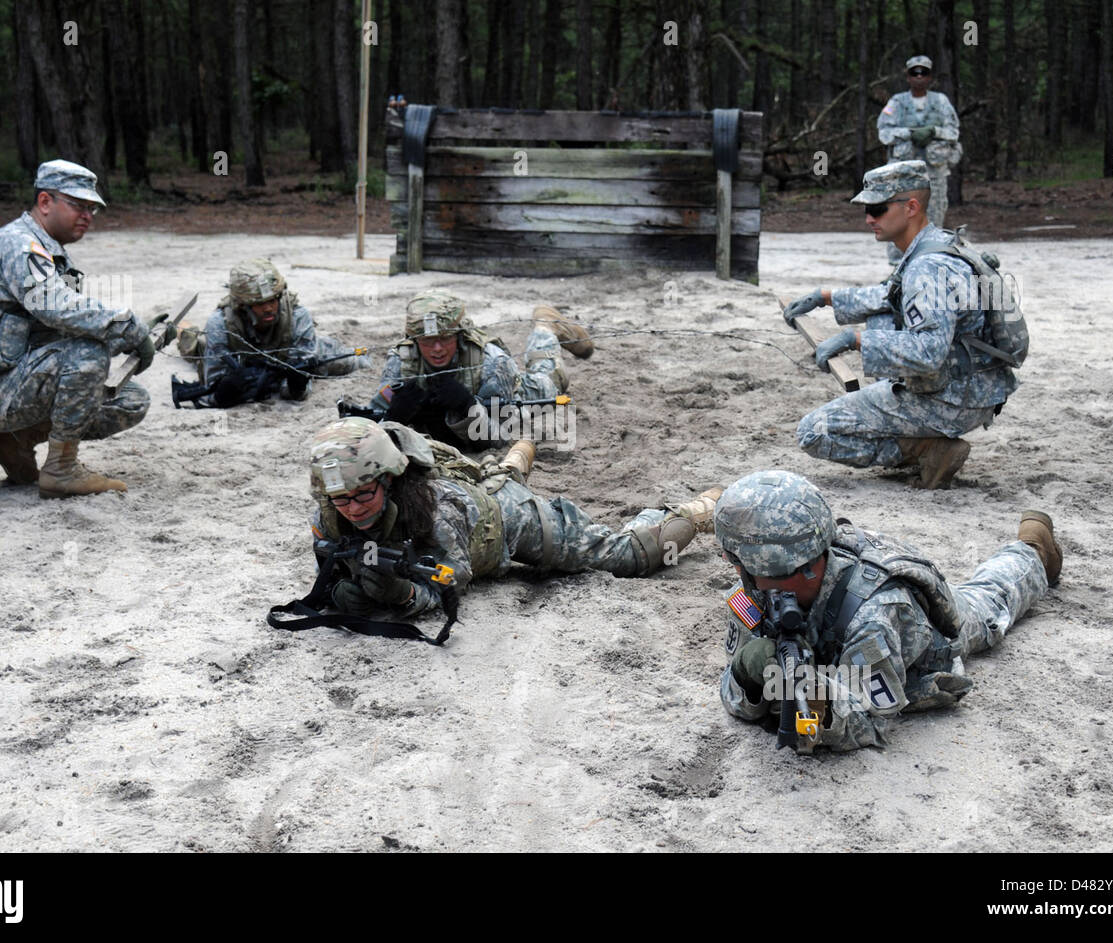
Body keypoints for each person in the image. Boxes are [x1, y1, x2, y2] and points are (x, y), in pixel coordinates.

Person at [713, 470, 1062, 753]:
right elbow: (732, 692)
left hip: (926, 633)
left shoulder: (874, 617)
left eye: (736, 561)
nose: (735, 570)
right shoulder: (756, 597)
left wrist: (816, 697)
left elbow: (871, 720)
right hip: (851, 623)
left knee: (988, 607)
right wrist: (748, 675)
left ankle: (1032, 550)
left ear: (761, 563)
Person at [305, 417, 719, 618]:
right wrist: (341, 588)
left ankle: (697, 511)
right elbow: (332, 560)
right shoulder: (331, 510)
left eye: (363, 495)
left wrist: (404, 596)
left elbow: (452, 581)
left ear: (390, 479)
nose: (353, 508)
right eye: (342, 500)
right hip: (479, 503)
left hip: (508, 523)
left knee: (628, 557)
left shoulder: (436, 511)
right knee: (497, 482)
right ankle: (511, 464)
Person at [0, 159, 154, 497]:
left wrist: (139, 335)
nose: (87, 215)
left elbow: (63, 324)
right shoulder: (17, 244)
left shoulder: (45, 249)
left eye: (93, 209)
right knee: (87, 354)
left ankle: (14, 442)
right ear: (45, 202)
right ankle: (61, 469)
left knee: (129, 400)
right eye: (78, 205)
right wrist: (127, 327)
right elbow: (57, 307)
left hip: (12, 379)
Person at [780, 160, 1020, 489]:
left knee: (814, 432)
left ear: (911, 207)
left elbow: (928, 351)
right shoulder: (939, 243)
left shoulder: (927, 267)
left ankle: (926, 449)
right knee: (882, 318)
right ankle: (922, 437)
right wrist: (827, 297)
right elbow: (892, 295)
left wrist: (855, 340)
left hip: (954, 401)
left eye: (877, 209)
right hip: (981, 387)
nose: (868, 219)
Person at [355, 290, 593, 452]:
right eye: (427, 342)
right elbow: (373, 424)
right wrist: (394, 417)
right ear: (414, 340)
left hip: (514, 394)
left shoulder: (492, 362)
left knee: (549, 376)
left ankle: (546, 327)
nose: (436, 349)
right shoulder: (401, 362)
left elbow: (499, 439)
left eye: (445, 339)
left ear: (459, 336)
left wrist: (467, 406)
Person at [171, 258, 369, 408]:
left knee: (355, 361)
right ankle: (184, 332)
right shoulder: (220, 323)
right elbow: (212, 383)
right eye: (260, 304)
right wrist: (227, 391)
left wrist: (294, 385)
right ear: (242, 306)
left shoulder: (298, 317)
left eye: (273, 300)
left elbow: (301, 389)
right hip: (240, 360)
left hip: (290, 356)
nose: (269, 308)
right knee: (195, 347)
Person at [877, 54, 961, 239]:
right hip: (903, 171)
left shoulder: (941, 102)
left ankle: (932, 256)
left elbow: (953, 132)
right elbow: (884, 133)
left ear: (930, 77)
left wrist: (933, 132)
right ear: (908, 77)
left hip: (934, 172)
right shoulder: (897, 103)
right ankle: (899, 262)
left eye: (924, 73)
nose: (919, 76)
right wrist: (909, 133)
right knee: (899, 215)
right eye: (915, 73)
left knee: (935, 216)